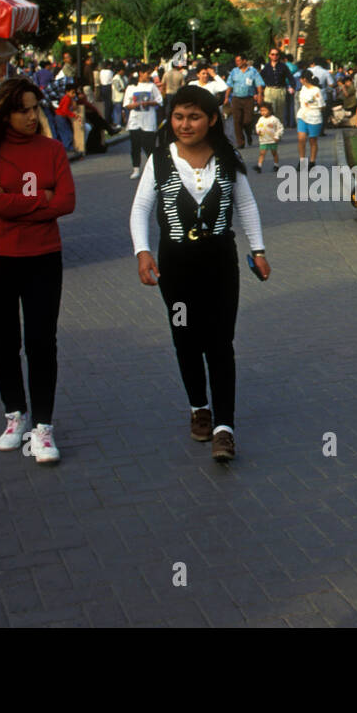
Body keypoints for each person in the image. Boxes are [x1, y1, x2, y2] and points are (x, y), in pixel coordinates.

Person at [130, 84, 269, 462]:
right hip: (176, 267)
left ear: (211, 119)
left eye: (194, 117)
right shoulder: (159, 159)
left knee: (221, 342)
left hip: (220, 263)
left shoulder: (227, 157)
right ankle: (199, 407)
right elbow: (141, 208)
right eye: (178, 116)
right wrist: (143, 252)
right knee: (186, 336)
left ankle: (225, 428)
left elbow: (246, 205)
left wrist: (258, 250)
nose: (185, 124)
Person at [0, 78, 75, 465]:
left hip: (42, 257)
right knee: (3, 340)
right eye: (23, 109)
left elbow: (67, 201)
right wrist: (42, 198)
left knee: (42, 342)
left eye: (35, 107)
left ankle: (43, 428)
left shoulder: (52, 149)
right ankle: (14, 415)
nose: (31, 116)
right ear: (4, 112)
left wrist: (16, 199)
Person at [125, 64, 163, 179]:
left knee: (149, 146)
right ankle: (136, 169)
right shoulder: (131, 87)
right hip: (135, 120)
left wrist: (149, 103)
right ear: (141, 73)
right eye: (147, 73)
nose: (149, 76)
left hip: (148, 120)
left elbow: (159, 100)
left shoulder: (152, 86)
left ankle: (155, 169)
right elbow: (126, 104)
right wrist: (134, 105)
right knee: (135, 146)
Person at [226, 54, 264, 149]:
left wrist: (259, 95)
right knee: (237, 121)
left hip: (249, 99)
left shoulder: (252, 71)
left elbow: (259, 84)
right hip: (236, 98)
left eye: (239, 61)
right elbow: (229, 85)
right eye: (236, 61)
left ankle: (248, 135)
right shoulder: (234, 72)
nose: (237, 63)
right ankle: (240, 142)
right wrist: (226, 97)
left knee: (248, 120)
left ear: (244, 61)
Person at [295, 70, 324, 165]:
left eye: (301, 79)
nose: (300, 80)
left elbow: (322, 105)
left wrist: (312, 106)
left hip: (314, 117)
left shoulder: (316, 90)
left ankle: (312, 161)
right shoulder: (302, 89)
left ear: (304, 79)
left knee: (312, 140)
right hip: (302, 116)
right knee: (301, 139)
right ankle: (302, 160)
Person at [253, 102, 284, 173]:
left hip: (272, 140)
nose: (263, 112)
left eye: (265, 110)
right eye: (261, 111)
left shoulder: (274, 119)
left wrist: (277, 136)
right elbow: (257, 126)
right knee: (262, 153)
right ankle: (259, 166)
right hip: (263, 140)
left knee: (274, 153)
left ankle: (276, 165)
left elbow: (280, 128)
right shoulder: (261, 119)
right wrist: (258, 131)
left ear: (270, 110)